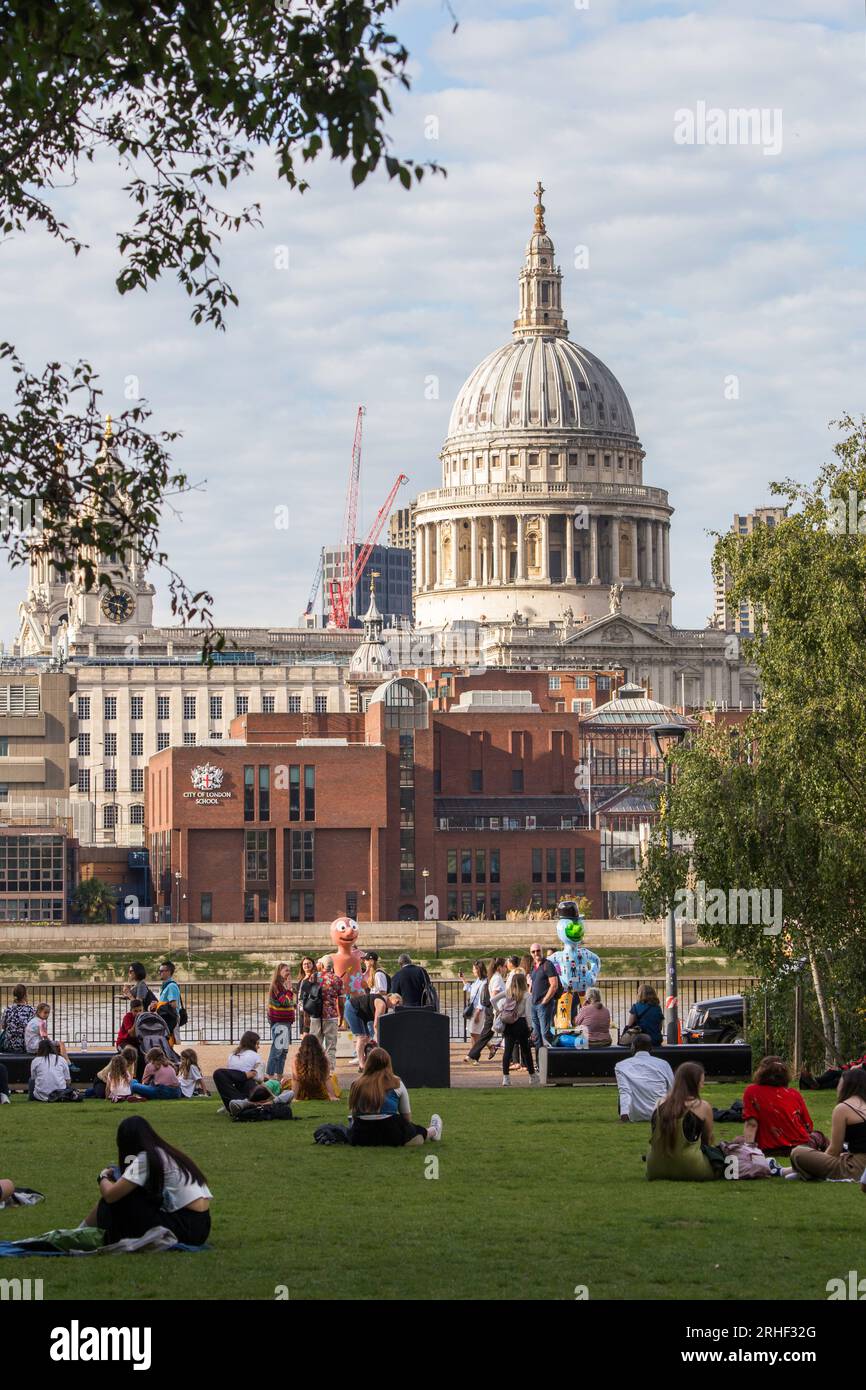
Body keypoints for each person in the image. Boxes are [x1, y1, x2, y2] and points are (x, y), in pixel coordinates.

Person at [84, 1116, 212, 1246]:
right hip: (202, 1226)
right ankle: (82, 1232)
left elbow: (110, 1195)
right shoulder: (167, 1153)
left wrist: (103, 1177)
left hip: (185, 1227)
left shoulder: (145, 1159)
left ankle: (79, 1234)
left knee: (114, 1203)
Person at [347, 1046, 442, 1147]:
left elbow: (354, 1114)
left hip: (360, 1135)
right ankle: (434, 1130)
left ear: (368, 1063)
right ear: (388, 1063)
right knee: (418, 1131)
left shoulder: (356, 1084)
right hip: (391, 1132)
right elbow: (407, 1118)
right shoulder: (397, 1083)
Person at [790, 1069, 866, 1181]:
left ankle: (805, 1172)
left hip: (855, 1169)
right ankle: (786, 1170)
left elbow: (834, 1150)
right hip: (857, 1162)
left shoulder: (843, 1108)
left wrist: (821, 1160)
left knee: (798, 1153)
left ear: (845, 1085)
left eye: (840, 1082)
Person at [646, 1062, 716, 1181]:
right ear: (695, 1084)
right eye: (701, 1082)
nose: (702, 1086)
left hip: (655, 1167)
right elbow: (707, 1141)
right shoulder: (702, 1106)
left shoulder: (659, 1103)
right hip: (691, 1167)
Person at [742, 1056, 817, 1155]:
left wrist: (749, 1150)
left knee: (739, 1141)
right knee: (818, 1136)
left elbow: (751, 1124)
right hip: (799, 1147)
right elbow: (808, 1126)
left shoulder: (751, 1091)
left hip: (768, 1148)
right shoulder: (794, 1094)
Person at [615, 1034, 674, 1122]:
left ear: (633, 1047)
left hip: (635, 1115)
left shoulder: (621, 1066)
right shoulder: (663, 1064)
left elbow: (625, 1091)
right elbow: (672, 1088)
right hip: (661, 1113)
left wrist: (624, 1114)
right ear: (650, 1048)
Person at [308, 955, 343, 1087]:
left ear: (322, 965)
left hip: (316, 1014)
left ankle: (314, 1071)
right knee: (331, 1046)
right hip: (331, 1015)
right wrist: (342, 1017)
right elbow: (341, 1001)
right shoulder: (337, 979)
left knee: (315, 1045)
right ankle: (329, 1074)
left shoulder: (314, 977)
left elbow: (308, 996)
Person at [500, 970, 539, 1086]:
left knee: (508, 1051)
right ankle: (532, 1076)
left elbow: (493, 1000)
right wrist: (530, 1027)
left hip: (509, 1024)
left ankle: (506, 1077)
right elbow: (528, 1013)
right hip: (521, 1023)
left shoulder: (508, 993)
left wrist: (499, 1010)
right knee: (526, 1051)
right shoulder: (527, 995)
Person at [212, 1032, 264, 1111]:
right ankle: (245, 1103)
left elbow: (230, 1073)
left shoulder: (232, 1055)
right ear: (252, 1044)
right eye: (257, 1044)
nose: (258, 1046)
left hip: (234, 1088)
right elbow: (259, 1078)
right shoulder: (255, 1055)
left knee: (222, 1075)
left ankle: (231, 1105)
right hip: (247, 1090)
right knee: (250, 1081)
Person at [528, 942, 559, 1054]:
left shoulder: (548, 964)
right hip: (534, 1005)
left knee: (545, 1032)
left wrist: (545, 1000)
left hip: (544, 1005)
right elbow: (533, 985)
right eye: (533, 951)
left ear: (542, 951)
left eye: (538, 950)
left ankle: (561, 1050)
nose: (536, 953)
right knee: (536, 1036)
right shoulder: (534, 967)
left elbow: (554, 985)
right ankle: (539, 1063)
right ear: (531, 953)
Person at [266, 962, 295, 1077]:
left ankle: (279, 1076)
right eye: (286, 970)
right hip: (280, 1022)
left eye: (289, 970)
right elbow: (286, 1002)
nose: (289, 973)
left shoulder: (283, 985)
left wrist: (289, 991)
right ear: (279, 972)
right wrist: (289, 990)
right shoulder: (277, 985)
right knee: (277, 1050)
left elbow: (290, 1003)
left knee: (284, 1051)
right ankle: (270, 1075)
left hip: (286, 1022)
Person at [460, 960, 492, 1065]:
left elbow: (482, 999)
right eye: (473, 968)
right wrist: (463, 979)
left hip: (479, 1010)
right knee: (475, 1033)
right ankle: (489, 1047)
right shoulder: (477, 981)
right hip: (475, 1010)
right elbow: (470, 989)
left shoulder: (484, 982)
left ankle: (474, 1056)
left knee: (474, 1033)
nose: (473, 971)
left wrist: (478, 1012)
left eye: (475, 968)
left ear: (479, 969)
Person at [290, 1032, 337, 1101]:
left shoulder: (297, 1059)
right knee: (334, 1078)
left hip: (301, 1091)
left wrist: (294, 1097)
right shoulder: (323, 1058)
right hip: (319, 1090)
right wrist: (332, 1096)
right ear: (317, 1045)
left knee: (286, 1082)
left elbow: (296, 1079)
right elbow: (327, 1079)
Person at [151, 960, 182, 1039]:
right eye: (159, 971)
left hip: (171, 1019)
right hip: (166, 1019)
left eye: (161, 971)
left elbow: (174, 1005)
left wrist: (159, 1005)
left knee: (172, 1040)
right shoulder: (165, 986)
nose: (159, 973)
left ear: (168, 972)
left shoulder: (171, 986)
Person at [0, 984, 35, 1051]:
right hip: (25, 1045)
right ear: (25, 996)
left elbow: (3, 1026)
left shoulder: (7, 1010)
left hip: (9, 1045)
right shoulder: (31, 1010)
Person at [296, 956, 317, 1036]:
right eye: (304, 964)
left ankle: (308, 1048)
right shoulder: (302, 978)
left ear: (313, 965)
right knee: (302, 1034)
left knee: (307, 1034)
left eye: (309, 963)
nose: (306, 965)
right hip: (301, 1009)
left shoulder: (315, 977)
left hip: (309, 1010)